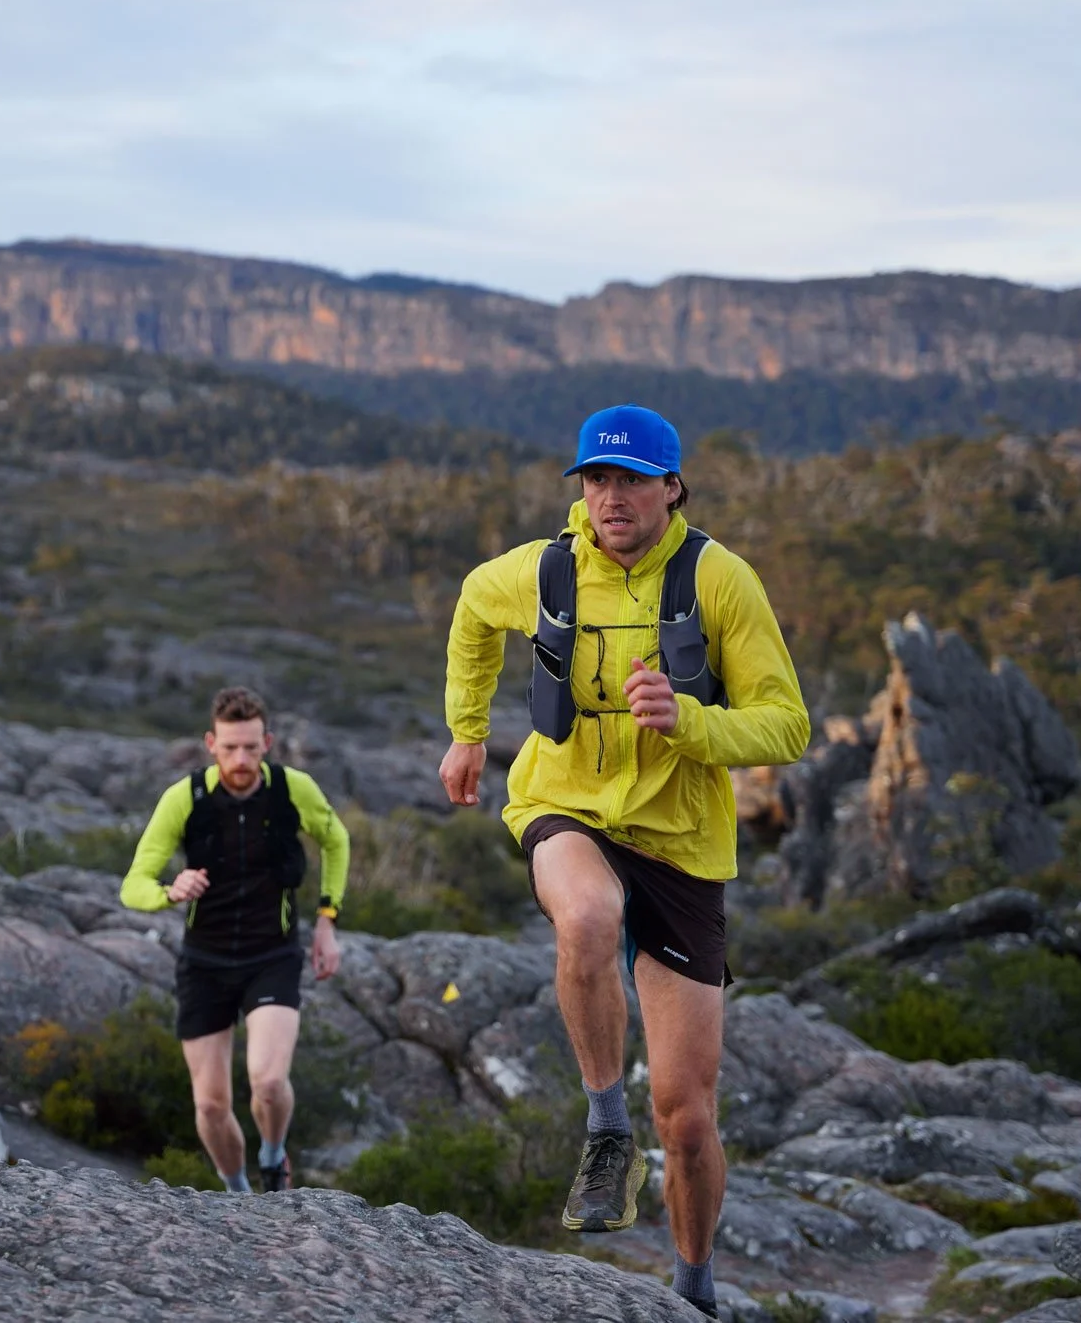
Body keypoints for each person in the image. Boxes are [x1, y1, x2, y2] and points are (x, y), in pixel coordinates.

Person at [438, 405, 809, 1318]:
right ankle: (606, 1128)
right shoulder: (545, 569)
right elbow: (472, 611)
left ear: (672, 487)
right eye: (596, 480)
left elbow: (787, 723)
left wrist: (692, 721)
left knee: (686, 1118)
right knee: (589, 915)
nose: (611, 497)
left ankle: (693, 1288)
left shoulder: (720, 582)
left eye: (632, 480)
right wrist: (467, 733)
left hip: (681, 841)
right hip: (565, 802)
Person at [120, 685, 350, 1194]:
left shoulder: (293, 789)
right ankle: (239, 1197)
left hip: (273, 954)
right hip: (205, 962)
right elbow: (133, 885)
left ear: (267, 742)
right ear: (211, 744)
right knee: (210, 1105)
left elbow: (337, 840)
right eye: (229, 748)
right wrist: (169, 891)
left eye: (250, 747)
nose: (240, 759)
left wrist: (328, 921)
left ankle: (272, 1156)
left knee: (268, 1083)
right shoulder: (186, 798)